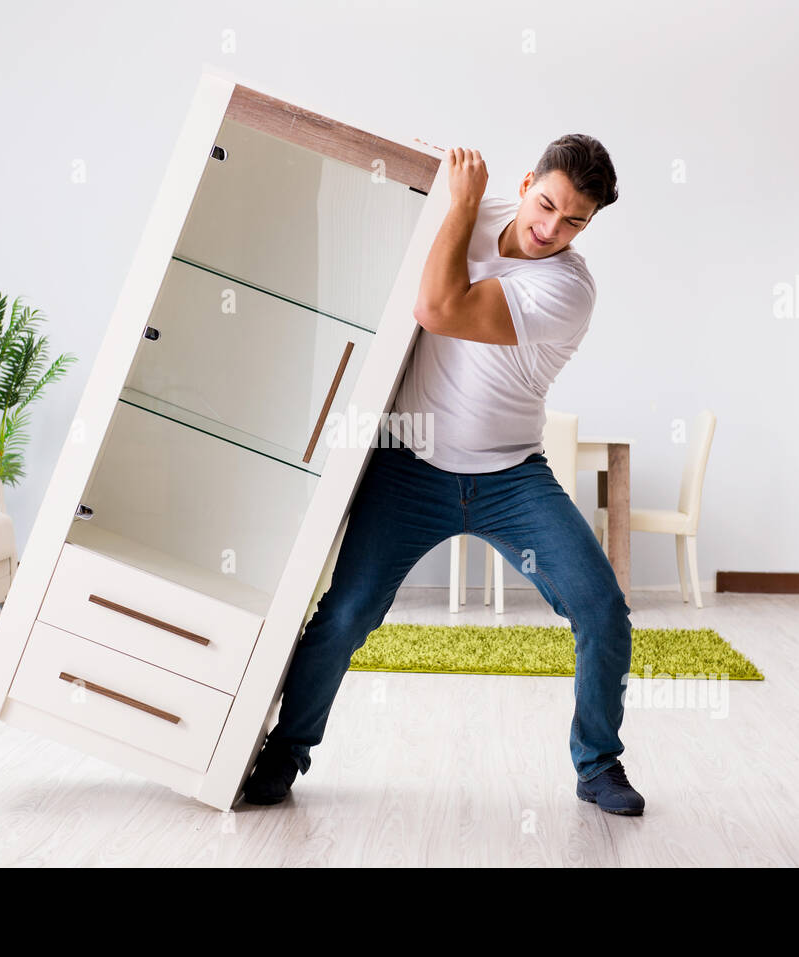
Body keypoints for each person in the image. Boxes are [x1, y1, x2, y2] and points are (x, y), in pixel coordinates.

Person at [241, 135, 643, 815]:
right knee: (346, 613)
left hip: (512, 478)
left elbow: (438, 309)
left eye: (575, 220)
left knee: (603, 610)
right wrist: (456, 199)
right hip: (408, 469)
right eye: (546, 204)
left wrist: (459, 208)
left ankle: (598, 764)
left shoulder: (568, 290)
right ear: (526, 182)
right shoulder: (469, 211)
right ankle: (285, 751)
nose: (551, 229)